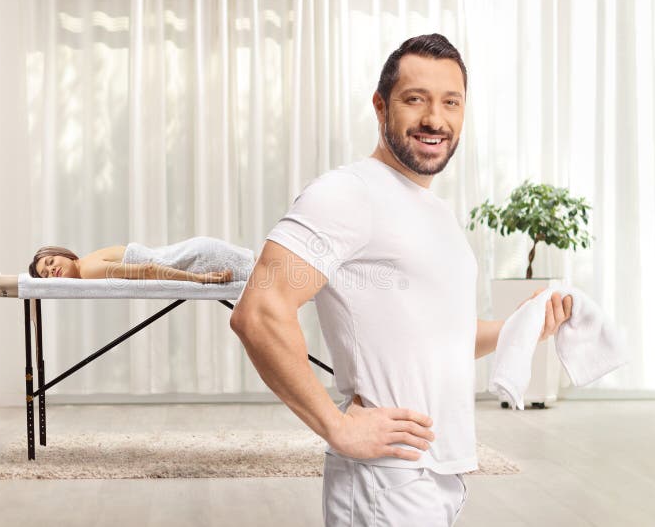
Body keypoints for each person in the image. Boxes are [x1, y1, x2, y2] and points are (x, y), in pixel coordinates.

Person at [230, 33, 573, 526]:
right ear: (381, 106)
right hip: (384, 478)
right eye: (416, 100)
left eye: (450, 102)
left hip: (437, 472)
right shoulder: (348, 193)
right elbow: (259, 312)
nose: (435, 118)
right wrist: (336, 426)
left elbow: (441, 336)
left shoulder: (434, 212)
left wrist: (521, 325)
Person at [29, 236, 256, 284]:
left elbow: (147, 270)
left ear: (64, 254)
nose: (52, 271)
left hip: (196, 258)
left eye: (50, 263)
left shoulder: (88, 270)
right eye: (46, 274)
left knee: (270, 277)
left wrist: (199, 278)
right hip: (195, 251)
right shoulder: (88, 262)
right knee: (267, 268)